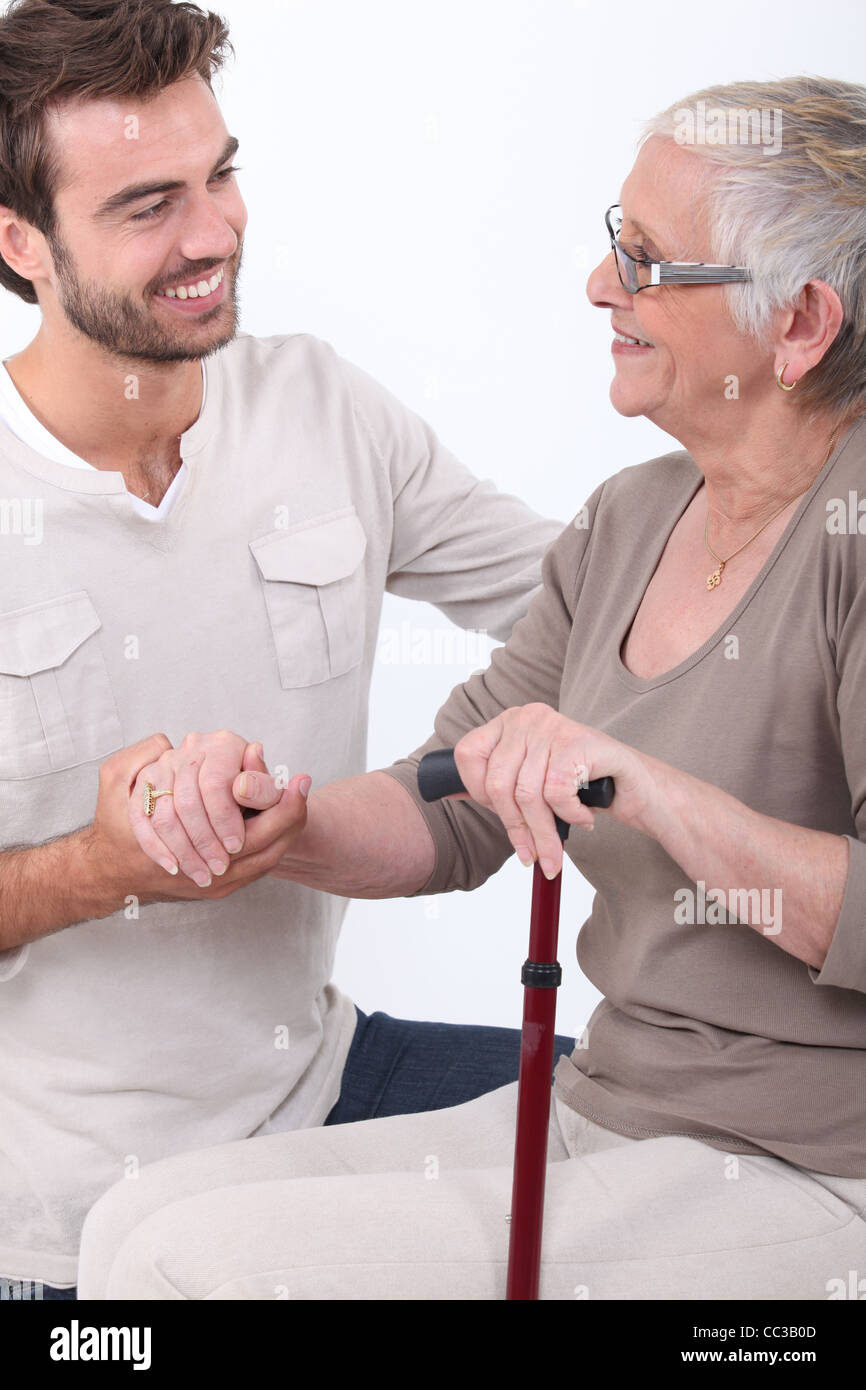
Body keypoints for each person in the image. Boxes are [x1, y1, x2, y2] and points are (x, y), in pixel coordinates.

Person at [77, 74, 866, 1301]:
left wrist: (646, 787)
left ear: (800, 324)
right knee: (135, 1219)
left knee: (183, 1273)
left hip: (811, 1166)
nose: (601, 286)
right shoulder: (629, 520)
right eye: (616, 241)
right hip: (608, 1106)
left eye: (648, 262)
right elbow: (449, 806)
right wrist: (278, 819)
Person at [0, 0, 567, 1301]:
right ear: (21, 240)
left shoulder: (318, 405)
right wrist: (97, 866)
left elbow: (599, 599)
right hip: (60, 1227)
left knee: (718, 1133)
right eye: (148, 205)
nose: (213, 235)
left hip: (321, 1094)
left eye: (222, 174)